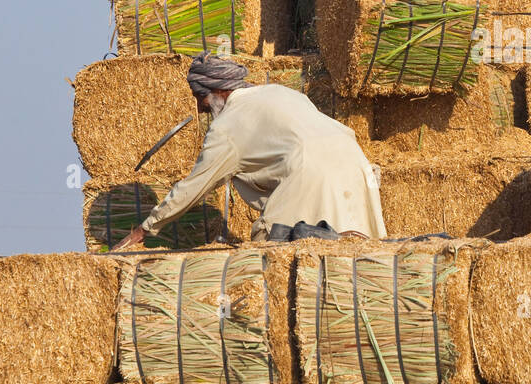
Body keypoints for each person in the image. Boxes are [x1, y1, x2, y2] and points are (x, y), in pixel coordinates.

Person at [111, 54, 385, 250]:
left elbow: (193, 187)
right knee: (359, 261)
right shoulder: (281, 92)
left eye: (200, 97)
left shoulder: (228, 126)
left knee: (275, 258)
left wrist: (146, 228)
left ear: (218, 90)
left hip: (310, 174)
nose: (201, 108)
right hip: (356, 162)